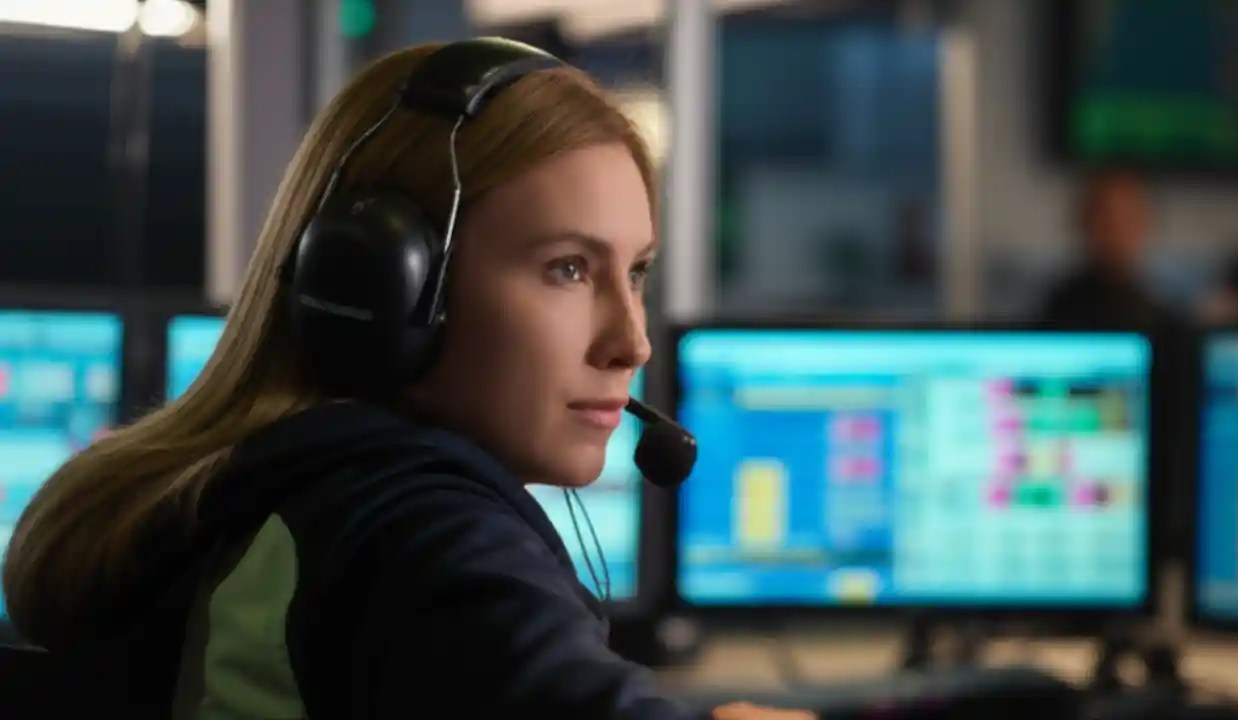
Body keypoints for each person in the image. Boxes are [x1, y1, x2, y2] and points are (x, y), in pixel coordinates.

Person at [1, 40, 812, 719]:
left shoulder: (284, 497)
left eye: (634, 273)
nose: (630, 342)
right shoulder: (407, 523)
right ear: (388, 287)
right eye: (567, 268)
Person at [1038, 168, 1178, 332]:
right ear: (1084, 222)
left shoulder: (1163, 320)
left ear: (1145, 222)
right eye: (1105, 217)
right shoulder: (1055, 314)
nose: (1115, 230)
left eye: (1127, 218)